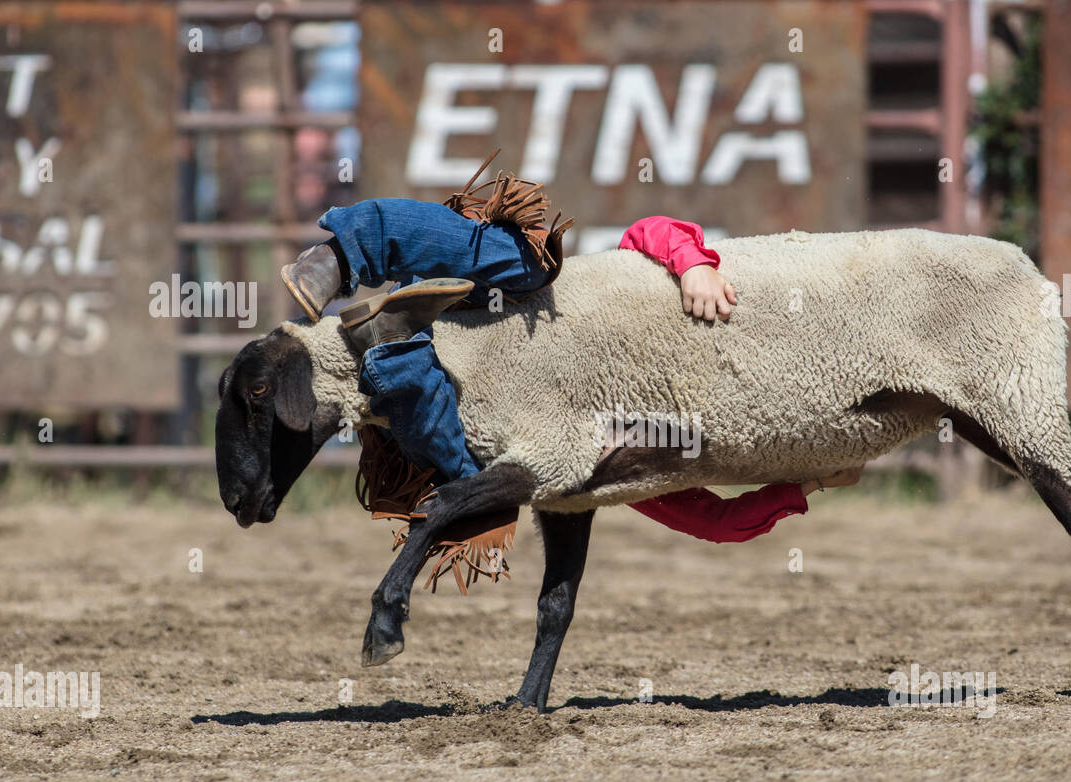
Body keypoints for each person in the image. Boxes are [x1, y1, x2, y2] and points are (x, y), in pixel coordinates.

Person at [281, 199, 860, 543]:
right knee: (532, 269)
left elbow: (713, 520)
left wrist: (806, 484)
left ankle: (391, 341)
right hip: (518, 314)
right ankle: (344, 255)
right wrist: (693, 266)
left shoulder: (636, 456)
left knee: (472, 472)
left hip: (474, 404)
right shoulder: (638, 444)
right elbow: (647, 234)